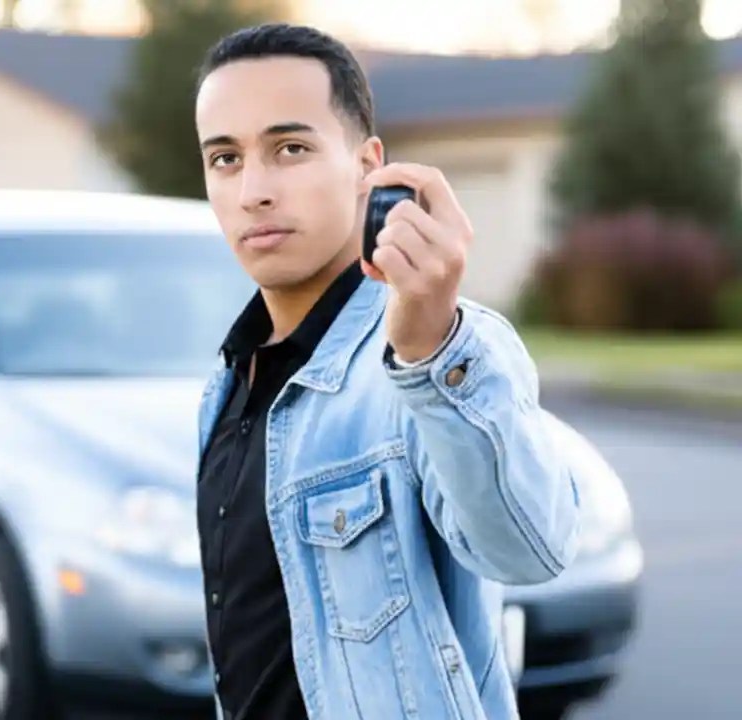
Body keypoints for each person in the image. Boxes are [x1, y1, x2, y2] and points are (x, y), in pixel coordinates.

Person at [192, 23, 580, 720]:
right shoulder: (227, 384)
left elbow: (531, 551)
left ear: (369, 165)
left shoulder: (434, 355)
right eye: (225, 158)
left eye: (290, 149)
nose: (253, 190)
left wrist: (433, 350)